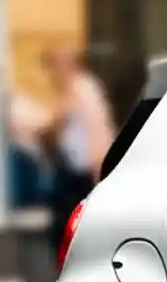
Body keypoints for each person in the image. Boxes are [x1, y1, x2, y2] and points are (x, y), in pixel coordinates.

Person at [40, 43, 115, 249]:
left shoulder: (80, 88)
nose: (51, 74)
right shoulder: (79, 87)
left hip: (85, 171)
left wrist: (98, 167)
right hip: (78, 170)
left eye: (54, 67)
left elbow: (96, 128)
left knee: (69, 227)